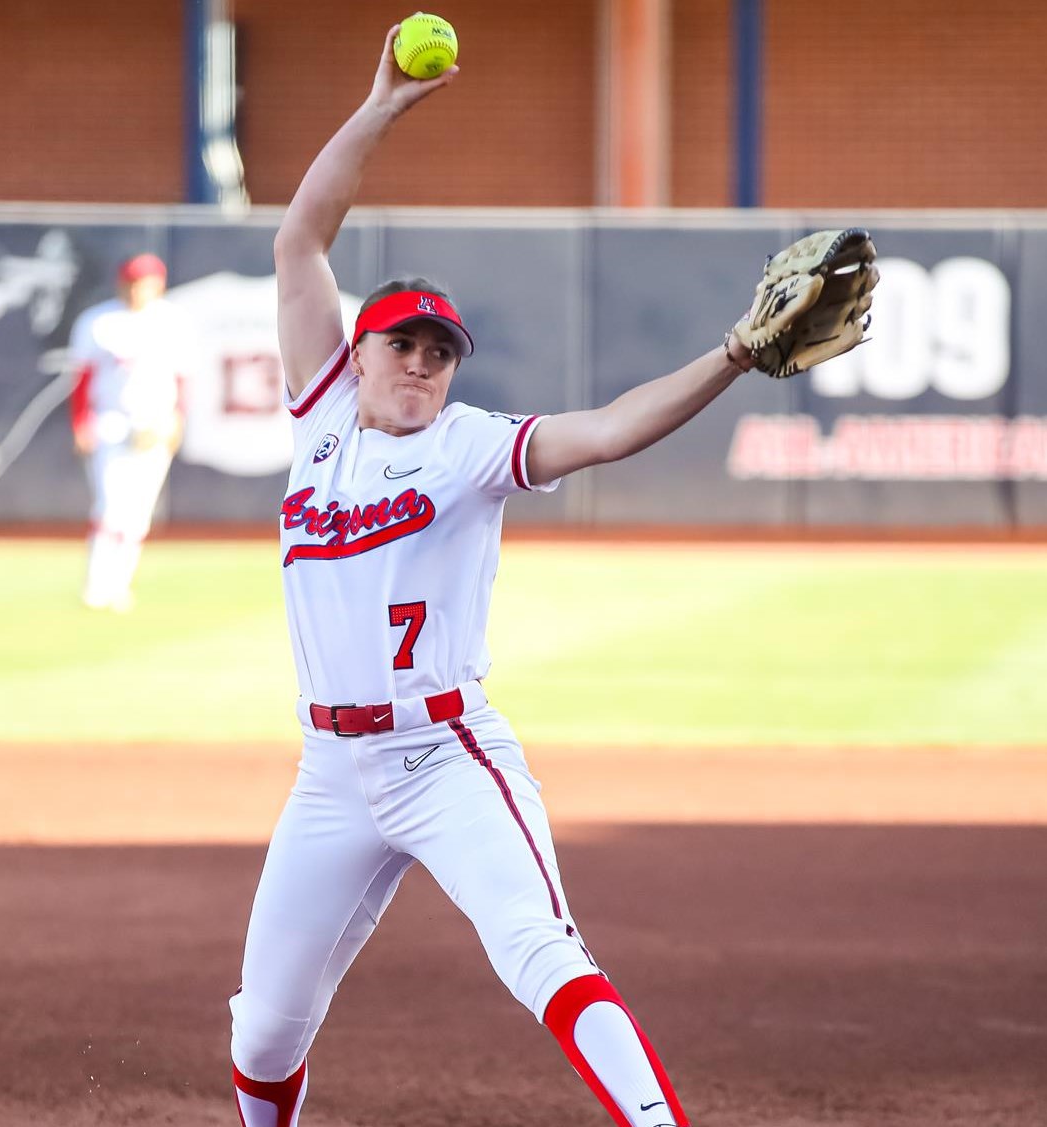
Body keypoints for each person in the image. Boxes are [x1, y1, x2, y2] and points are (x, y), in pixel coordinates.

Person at [227, 27, 827, 1127]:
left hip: (444, 755)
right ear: (353, 352)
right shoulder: (316, 419)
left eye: (438, 349)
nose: (420, 361)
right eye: (401, 343)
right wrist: (383, 108)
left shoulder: (467, 444)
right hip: (328, 770)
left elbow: (604, 431)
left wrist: (734, 354)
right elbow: (300, 235)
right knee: (263, 1027)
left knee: (536, 949)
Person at [67, 252, 197, 611]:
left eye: (146, 282)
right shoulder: (99, 321)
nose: (138, 289)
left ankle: (119, 585)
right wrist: (80, 423)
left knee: (138, 513)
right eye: (133, 281)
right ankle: (96, 584)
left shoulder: (173, 321)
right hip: (110, 421)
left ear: (159, 284)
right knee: (110, 507)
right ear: (121, 282)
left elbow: (183, 379)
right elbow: (82, 380)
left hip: (155, 422)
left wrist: (177, 420)